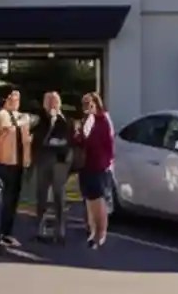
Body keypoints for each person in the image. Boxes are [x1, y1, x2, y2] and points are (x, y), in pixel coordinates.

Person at [0, 89, 31, 247]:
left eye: (18, 97)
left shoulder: (22, 117)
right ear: (5, 99)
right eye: (12, 97)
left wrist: (27, 159)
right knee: (3, 199)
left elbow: (26, 140)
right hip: (3, 163)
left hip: (18, 163)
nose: (16, 100)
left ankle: (8, 232)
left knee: (13, 199)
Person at [72, 91, 114, 249]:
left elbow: (109, 142)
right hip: (85, 164)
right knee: (89, 200)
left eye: (90, 104)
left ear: (96, 104)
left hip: (99, 164)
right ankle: (92, 231)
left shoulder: (103, 120)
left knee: (98, 199)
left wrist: (108, 162)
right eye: (84, 104)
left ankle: (101, 233)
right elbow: (80, 141)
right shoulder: (84, 121)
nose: (87, 107)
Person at [30, 91, 74, 243]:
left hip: (60, 161)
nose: (51, 105)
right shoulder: (41, 121)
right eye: (48, 102)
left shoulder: (66, 121)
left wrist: (60, 143)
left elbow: (70, 140)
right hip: (44, 159)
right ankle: (40, 226)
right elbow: (37, 139)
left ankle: (60, 227)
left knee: (58, 192)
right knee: (41, 193)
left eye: (54, 102)